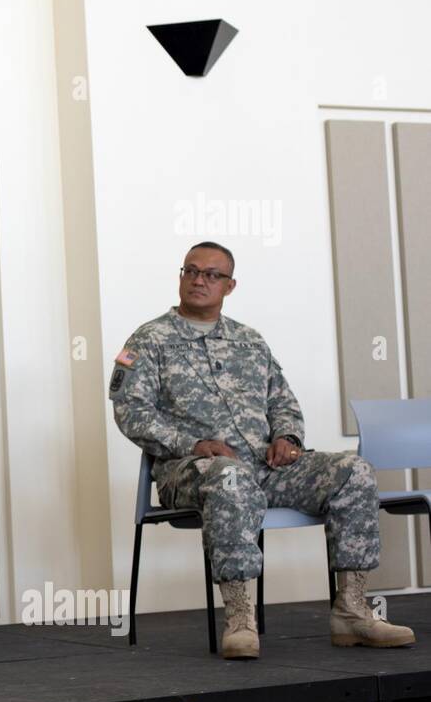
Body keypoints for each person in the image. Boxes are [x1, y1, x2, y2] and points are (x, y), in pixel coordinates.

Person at [109, 241, 415, 659]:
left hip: (266, 468)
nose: (199, 280)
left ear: (229, 286)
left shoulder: (249, 340)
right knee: (229, 476)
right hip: (193, 471)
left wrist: (287, 439)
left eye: (212, 274)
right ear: (181, 276)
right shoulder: (148, 340)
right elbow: (131, 412)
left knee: (354, 470)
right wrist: (193, 444)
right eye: (191, 271)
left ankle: (352, 610)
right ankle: (240, 618)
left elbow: (283, 403)